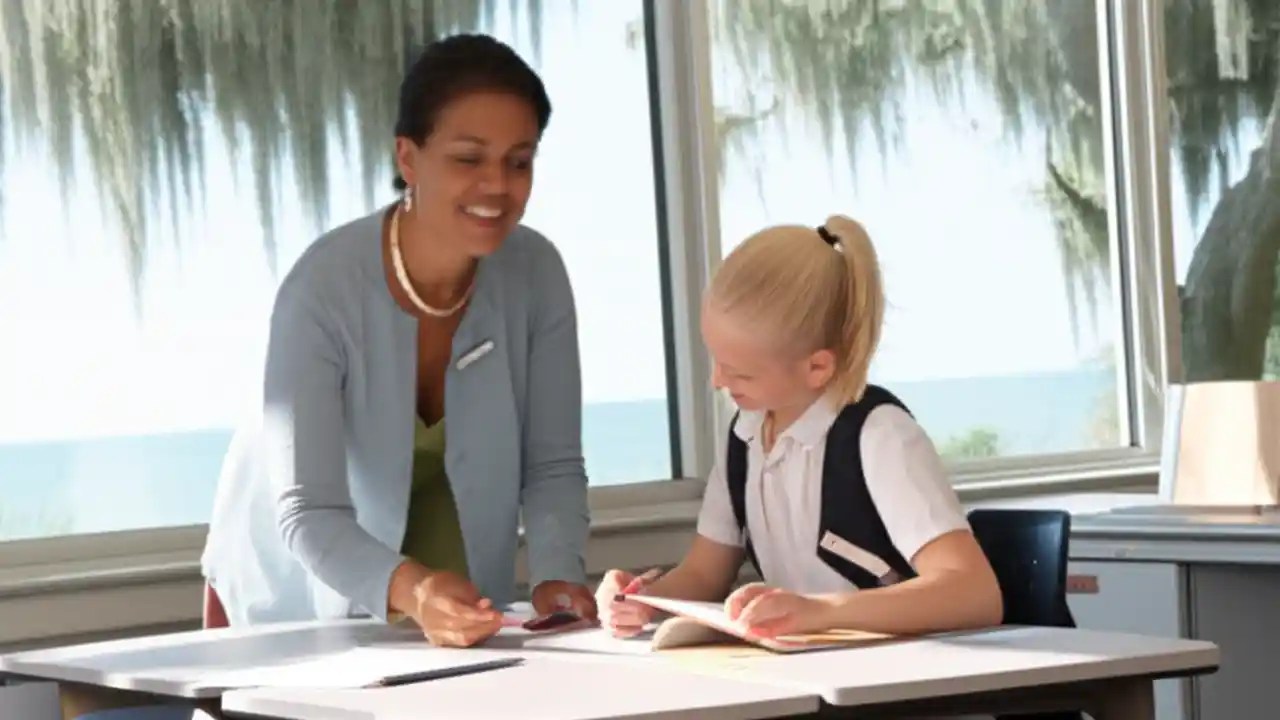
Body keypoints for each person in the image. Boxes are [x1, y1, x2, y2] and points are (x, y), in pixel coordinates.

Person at [201, 33, 596, 649]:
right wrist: (411, 589)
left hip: (453, 570)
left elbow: (552, 467)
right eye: (469, 159)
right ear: (408, 158)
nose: (497, 185)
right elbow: (309, 512)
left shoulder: (537, 274)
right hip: (303, 576)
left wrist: (557, 579)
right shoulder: (320, 291)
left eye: (519, 161)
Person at [597, 216, 1002, 640]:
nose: (717, 381)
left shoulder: (880, 436)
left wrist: (821, 612)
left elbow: (973, 593)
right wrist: (642, 601)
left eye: (741, 373)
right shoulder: (744, 436)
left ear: (817, 367)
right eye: (716, 360)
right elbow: (703, 574)